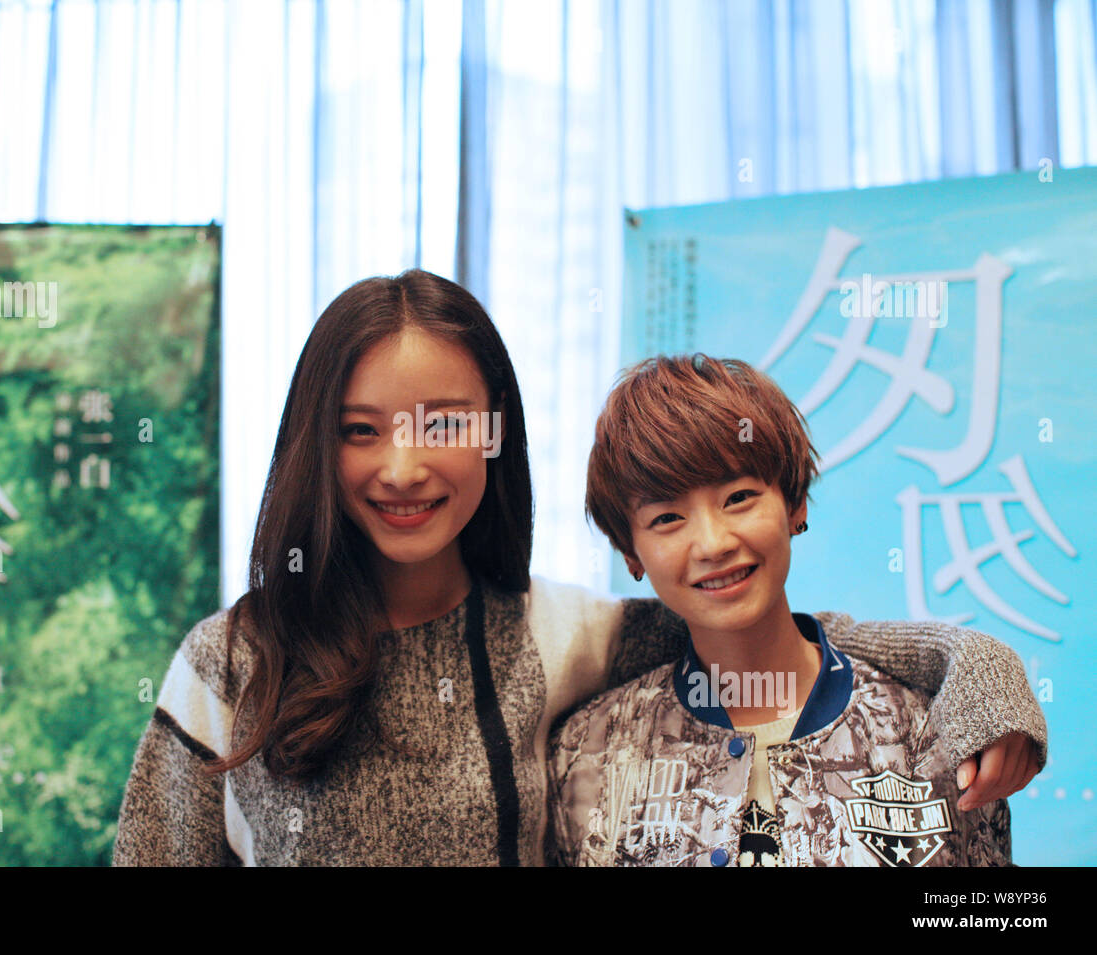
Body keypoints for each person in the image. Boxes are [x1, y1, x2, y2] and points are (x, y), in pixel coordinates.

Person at [112, 272, 1043, 866]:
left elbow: (753, 623)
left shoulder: (561, 640)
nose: (403, 468)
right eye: (362, 431)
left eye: (444, 424)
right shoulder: (232, 660)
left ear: (494, 437)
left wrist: (973, 664)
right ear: (319, 442)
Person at [548, 354, 1025, 866]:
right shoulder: (584, 752)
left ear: (795, 504)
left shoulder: (926, 729)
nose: (712, 543)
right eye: (667, 517)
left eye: (738, 498)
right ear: (630, 553)